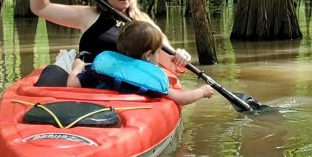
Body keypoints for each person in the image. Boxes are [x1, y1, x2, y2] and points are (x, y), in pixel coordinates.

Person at [32, 0, 191, 85]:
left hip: (120, 83)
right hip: (85, 78)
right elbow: (40, 8)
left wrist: (181, 57)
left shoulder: (145, 25)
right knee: (50, 75)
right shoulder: (88, 15)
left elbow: (171, 65)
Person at [69, 20, 214, 107]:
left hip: (100, 107)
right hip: (132, 111)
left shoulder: (102, 69)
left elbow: (72, 85)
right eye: (158, 52)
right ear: (148, 55)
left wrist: (76, 67)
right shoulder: (151, 79)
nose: (158, 56)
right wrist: (202, 92)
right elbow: (181, 99)